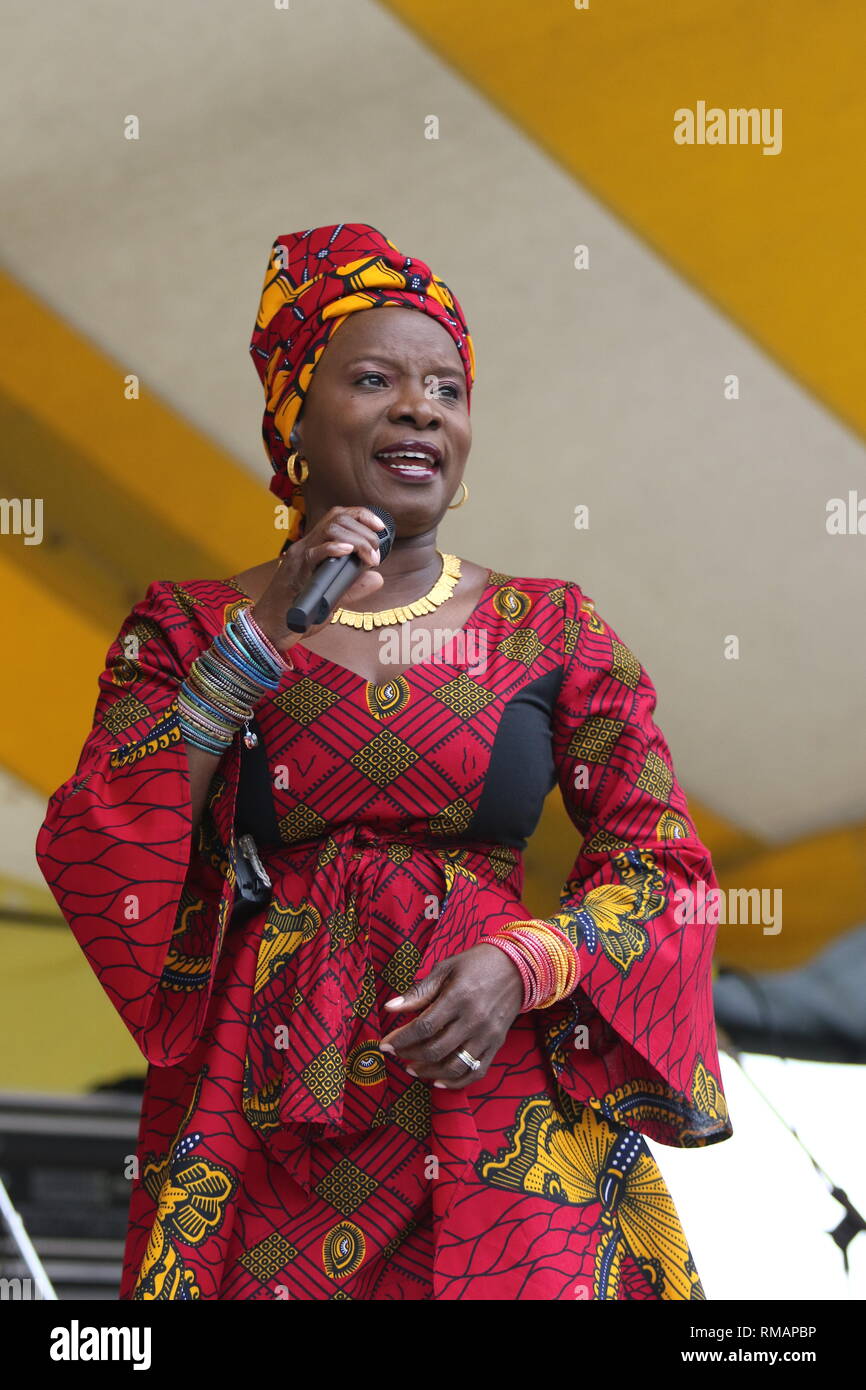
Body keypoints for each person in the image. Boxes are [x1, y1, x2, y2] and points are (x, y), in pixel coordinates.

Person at [35, 222, 732, 1301]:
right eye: (375, 381)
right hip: (264, 1119)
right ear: (295, 420)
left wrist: (525, 960)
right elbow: (102, 848)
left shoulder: (550, 628)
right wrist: (258, 637)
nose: (421, 409)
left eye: (446, 389)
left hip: (499, 1117)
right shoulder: (187, 626)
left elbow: (664, 873)